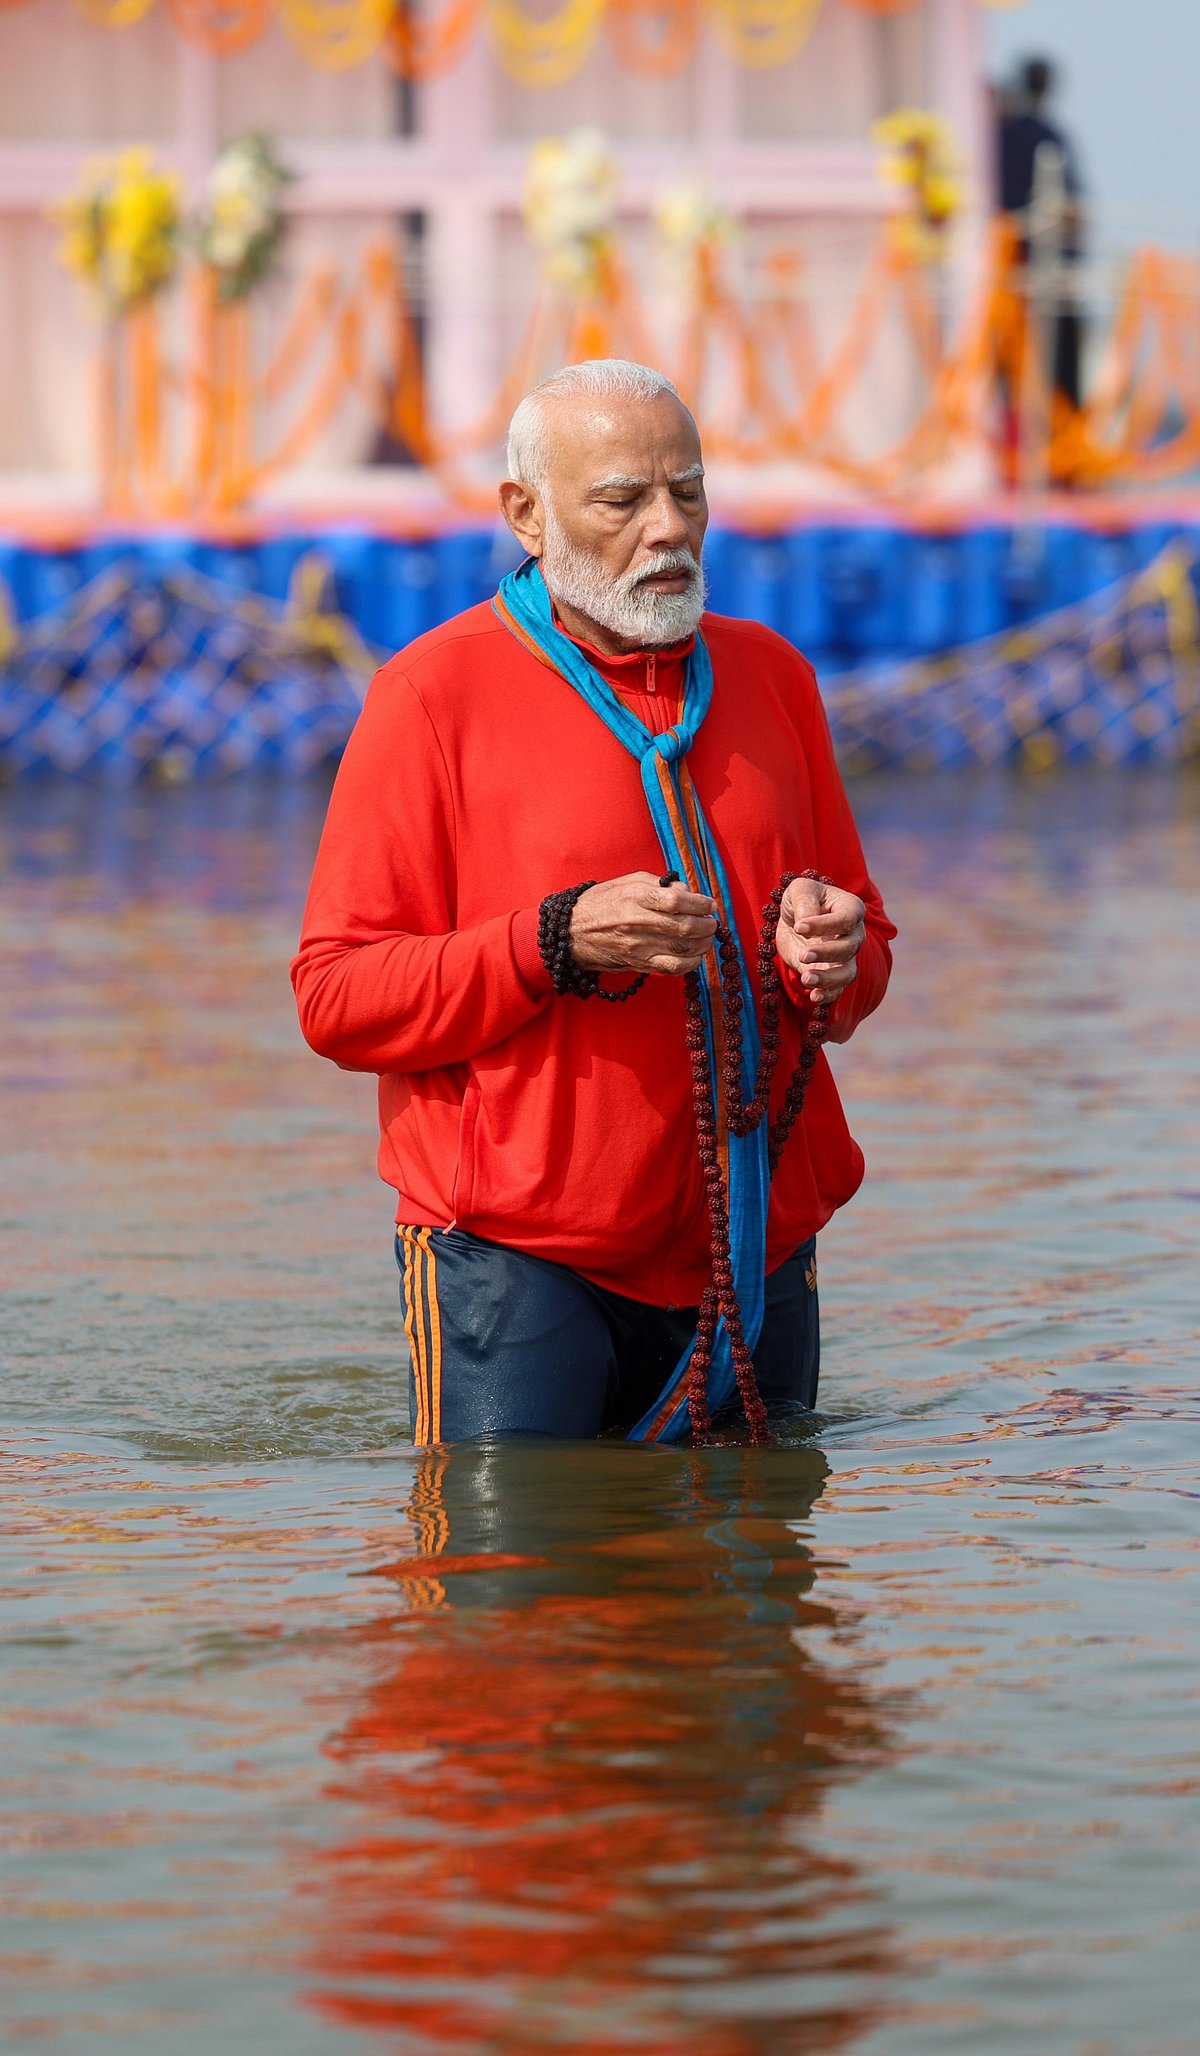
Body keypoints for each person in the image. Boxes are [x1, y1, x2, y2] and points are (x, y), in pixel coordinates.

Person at [292, 360, 895, 1444]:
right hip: (518, 1262)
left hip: (757, 1246)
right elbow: (336, 996)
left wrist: (835, 951)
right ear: (526, 513)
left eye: (689, 492)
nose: (668, 529)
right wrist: (553, 941)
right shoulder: (429, 695)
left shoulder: (774, 678)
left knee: (759, 1593)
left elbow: (866, 951)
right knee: (509, 1602)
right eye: (622, 500)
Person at [996, 55, 1087, 408]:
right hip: (1038, 266)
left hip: (1011, 261)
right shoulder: (1044, 135)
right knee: (1057, 361)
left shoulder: (1006, 133)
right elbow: (1070, 206)